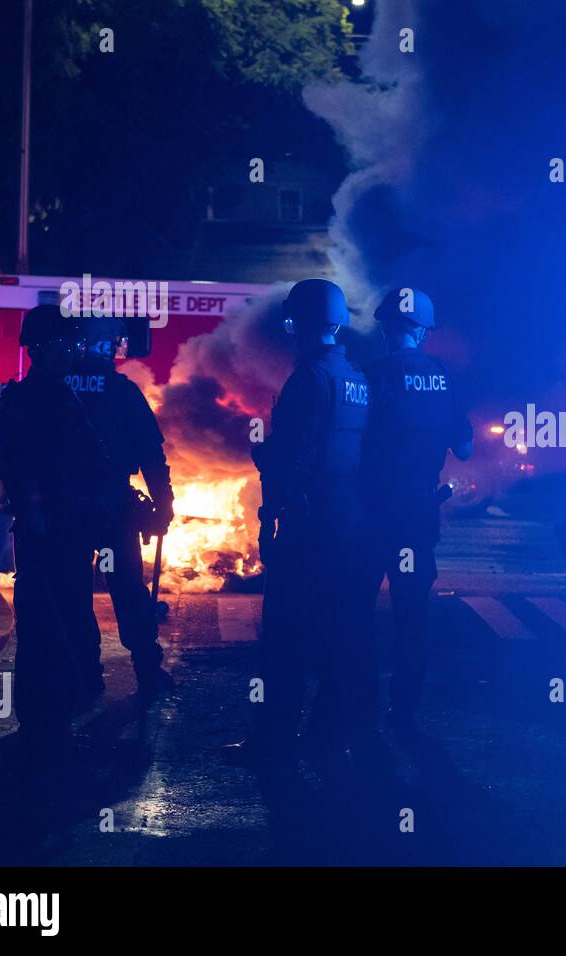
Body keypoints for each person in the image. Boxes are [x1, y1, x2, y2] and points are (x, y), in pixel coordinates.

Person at [251, 278, 373, 762]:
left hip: (307, 525)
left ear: (300, 324)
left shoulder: (307, 378)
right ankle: (327, 734)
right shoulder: (357, 378)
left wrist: (266, 464)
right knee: (335, 633)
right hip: (348, 525)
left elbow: (293, 455)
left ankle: (273, 741)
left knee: (282, 638)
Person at [0, 305, 109, 760]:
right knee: (46, 622)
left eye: (72, 345)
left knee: (66, 615)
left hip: (65, 529)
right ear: (40, 351)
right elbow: (24, 472)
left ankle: (56, 713)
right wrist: (42, 526)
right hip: (50, 533)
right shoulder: (32, 400)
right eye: (63, 346)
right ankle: (43, 721)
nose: (71, 354)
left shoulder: (58, 395)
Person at [359, 288, 472, 727]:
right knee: (412, 614)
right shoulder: (443, 377)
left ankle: (358, 702)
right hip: (419, 517)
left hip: (371, 516)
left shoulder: (371, 375)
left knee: (356, 609)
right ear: (423, 331)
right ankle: (403, 706)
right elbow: (463, 448)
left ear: (386, 327)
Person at [67, 315, 174, 697]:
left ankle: (83, 678)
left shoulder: (57, 389)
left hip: (64, 513)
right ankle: (147, 671)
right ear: (109, 346)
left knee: (72, 596)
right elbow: (151, 455)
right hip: (112, 510)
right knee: (129, 591)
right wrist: (163, 504)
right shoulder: (122, 391)